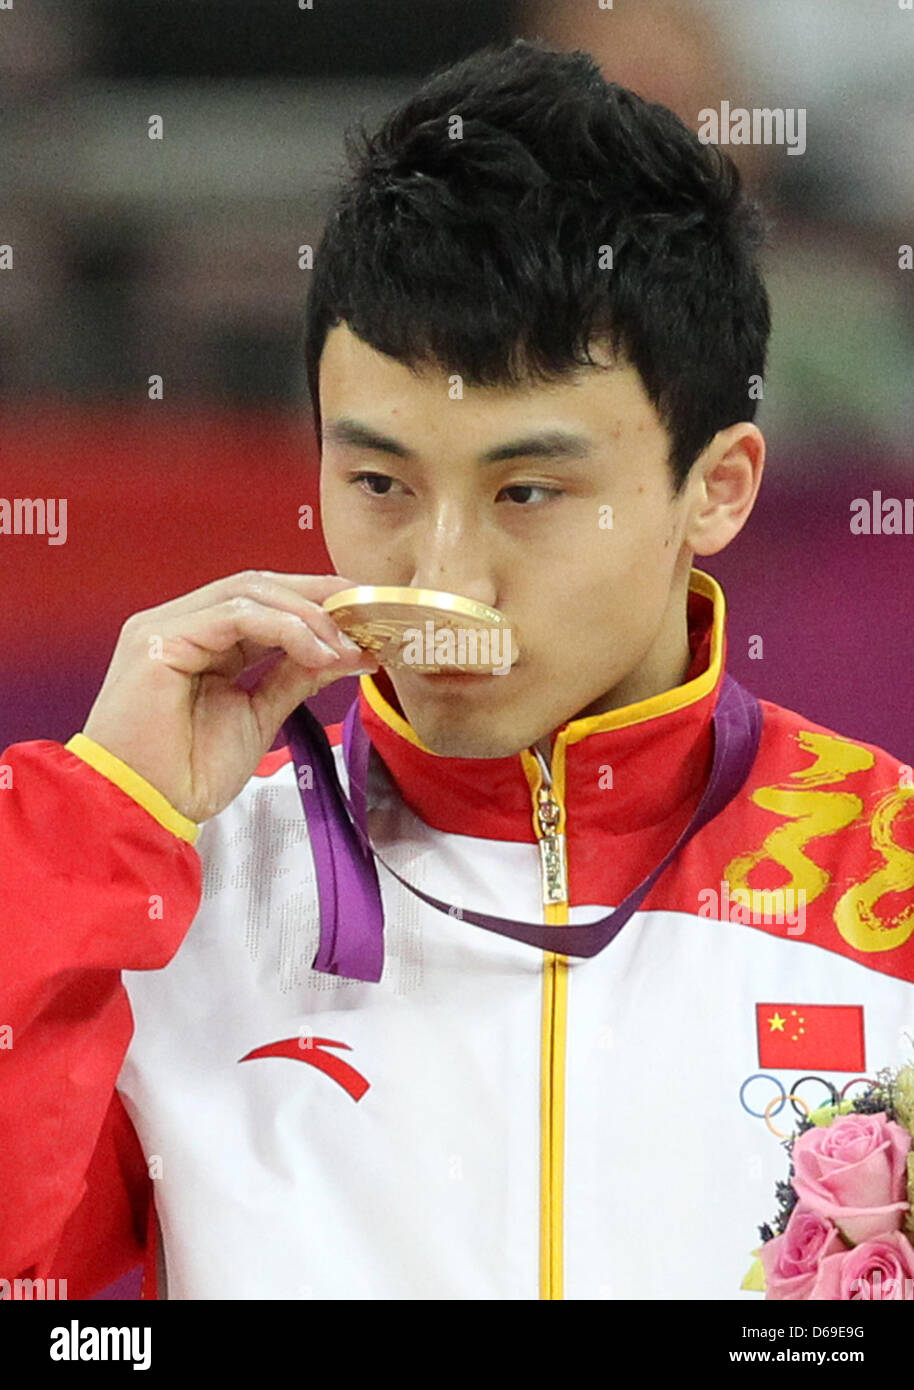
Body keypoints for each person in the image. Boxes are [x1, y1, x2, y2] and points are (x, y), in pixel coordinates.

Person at [2, 38, 912, 1302]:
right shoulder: (168, 904)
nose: (443, 584)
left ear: (716, 488)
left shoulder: (893, 886)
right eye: (376, 482)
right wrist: (91, 824)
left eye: (527, 490)